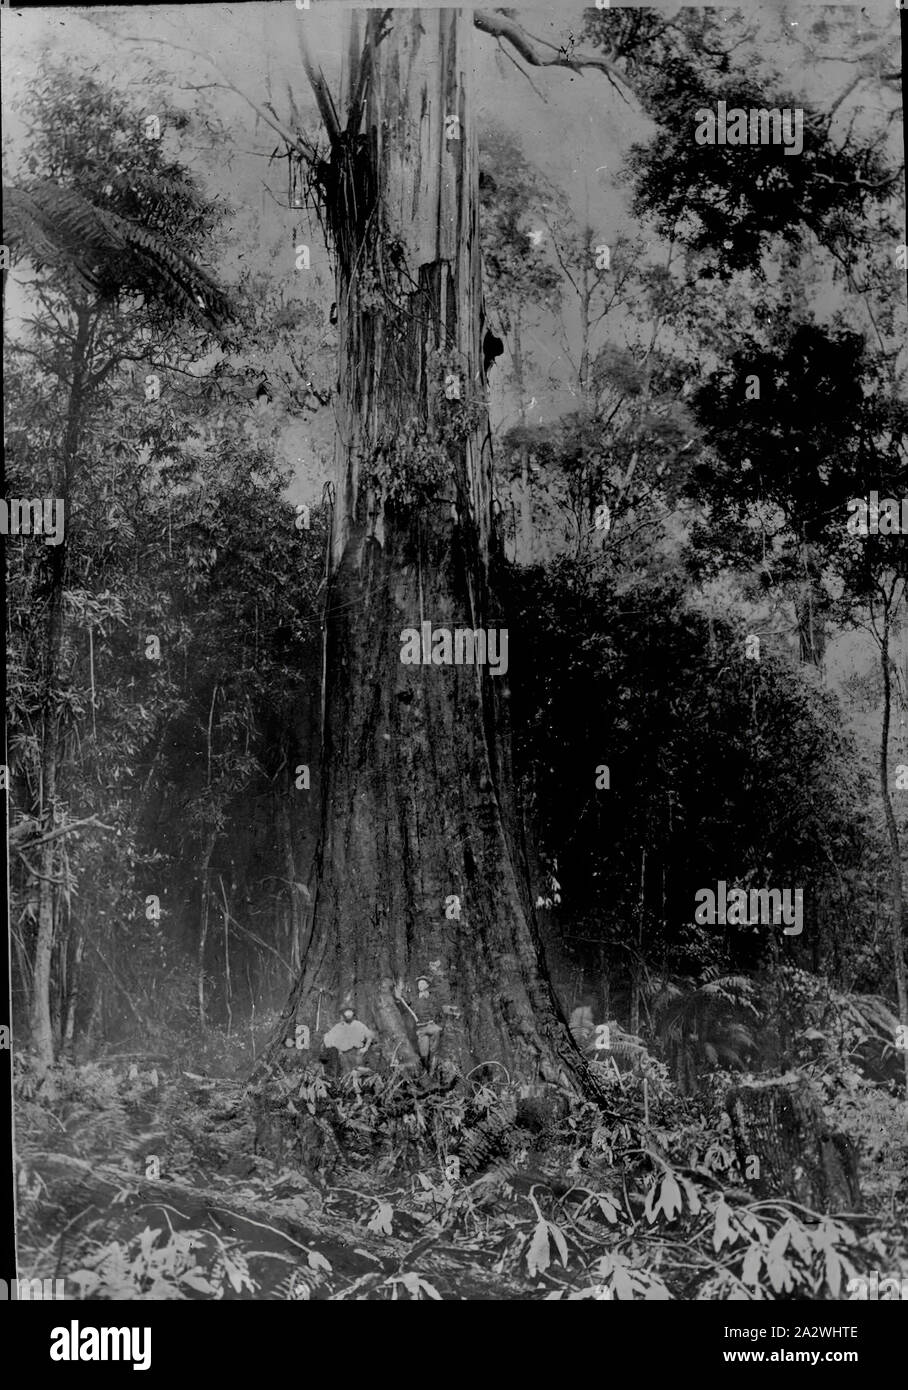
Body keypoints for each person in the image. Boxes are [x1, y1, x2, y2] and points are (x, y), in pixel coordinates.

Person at [394, 975, 443, 1075]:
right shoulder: (415, 999)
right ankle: (426, 1071)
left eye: (422, 983)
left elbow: (439, 1012)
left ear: (427, 985)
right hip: (421, 1028)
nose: (420, 985)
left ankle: (434, 1060)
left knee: (436, 1033)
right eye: (419, 984)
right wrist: (399, 998)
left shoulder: (432, 998)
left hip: (431, 1025)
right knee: (424, 1053)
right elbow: (405, 1006)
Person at [322, 1005, 374, 1074]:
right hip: (344, 1055)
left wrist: (366, 1048)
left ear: (353, 1014)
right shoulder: (339, 1026)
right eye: (346, 1013)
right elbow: (327, 1037)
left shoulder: (358, 1024)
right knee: (347, 1073)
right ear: (343, 1015)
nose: (348, 1015)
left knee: (358, 1072)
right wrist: (337, 1049)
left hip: (357, 1052)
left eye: (350, 1013)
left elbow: (369, 1036)